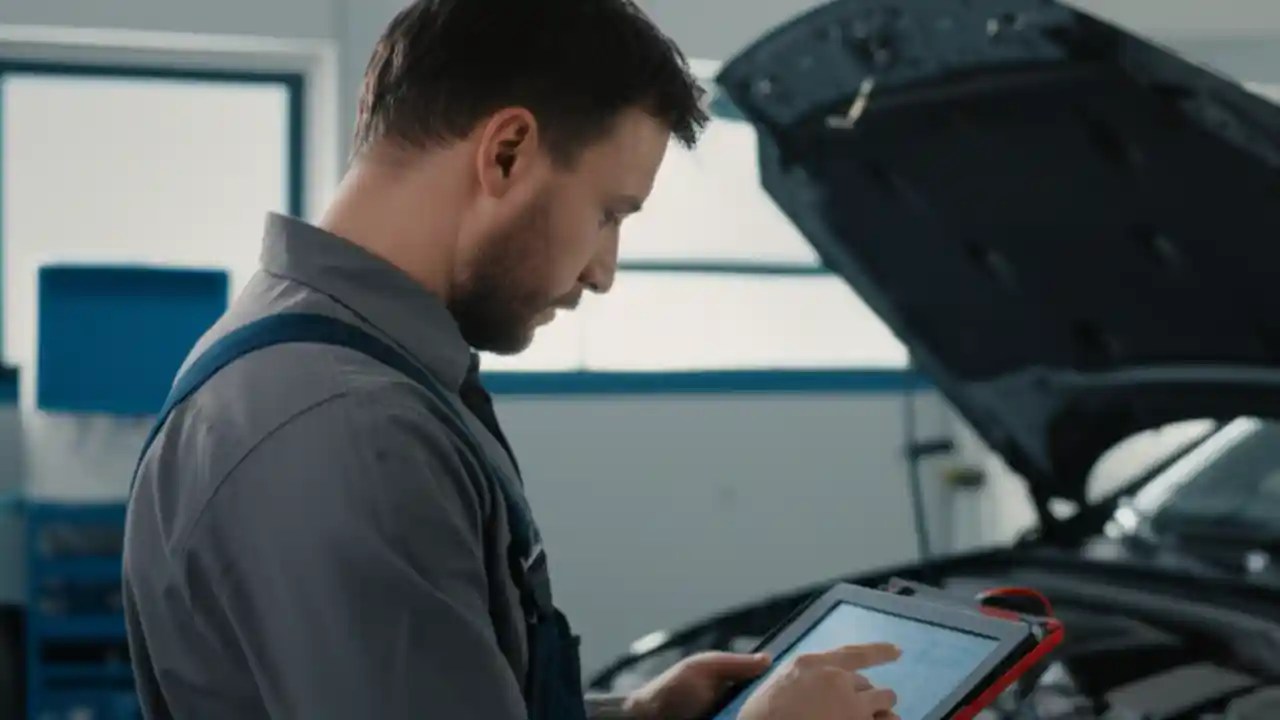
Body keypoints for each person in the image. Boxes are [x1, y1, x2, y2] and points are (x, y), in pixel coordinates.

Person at [122, 1, 903, 718]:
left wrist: (633, 716)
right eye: (607, 214)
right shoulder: (346, 431)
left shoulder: (308, 366)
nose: (604, 271)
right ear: (506, 153)